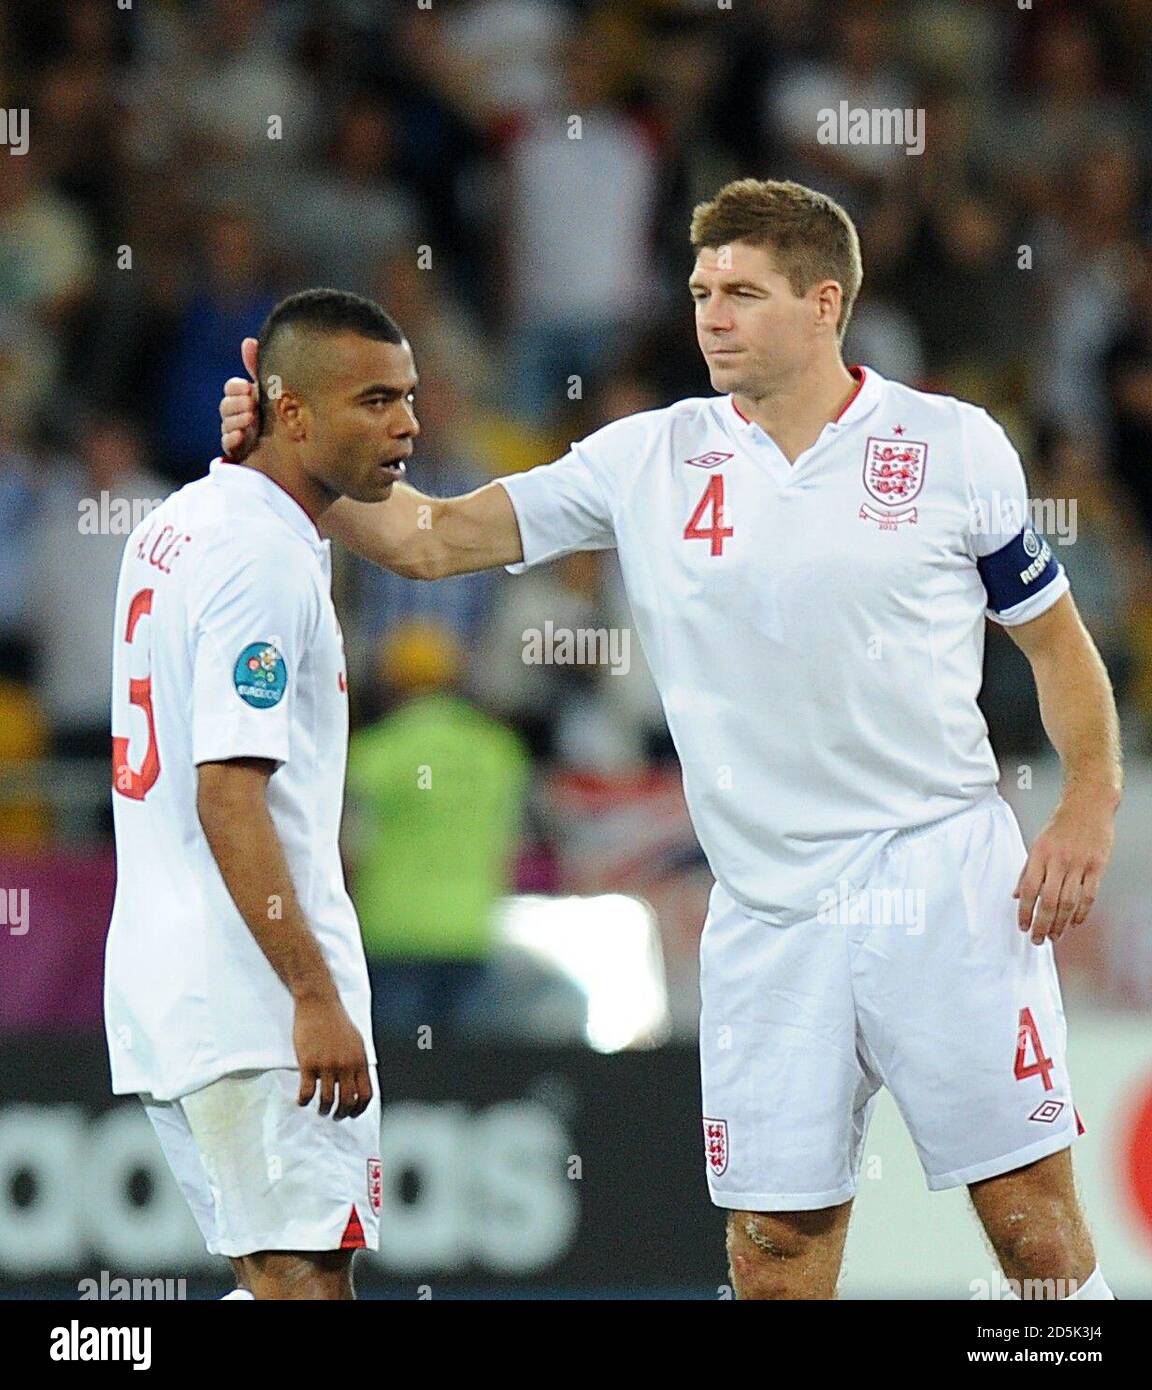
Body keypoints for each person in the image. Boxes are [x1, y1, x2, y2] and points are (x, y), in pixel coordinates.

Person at [220, 180, 1123, 1302]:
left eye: (742, 292)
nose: (711, 314)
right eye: (701, 289)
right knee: (775, 1255)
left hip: (942, 879)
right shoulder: (645, 458)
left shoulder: (952, 447)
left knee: (1033, 1231)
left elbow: (1056, 645)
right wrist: (287, 465)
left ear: (823, 303)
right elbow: (435, 538)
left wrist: (1088, 800)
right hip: (765, 909)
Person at [108, 288, 418, 1300]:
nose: (407, 424)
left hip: (177, 980)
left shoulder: (181, 520)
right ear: (292, 413)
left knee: (278, 1278)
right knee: (304, 1281)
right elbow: (229, 799)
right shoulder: (262, 561)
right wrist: (314, 992)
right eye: (375, 400)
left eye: (408, 397)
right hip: (251, 991)